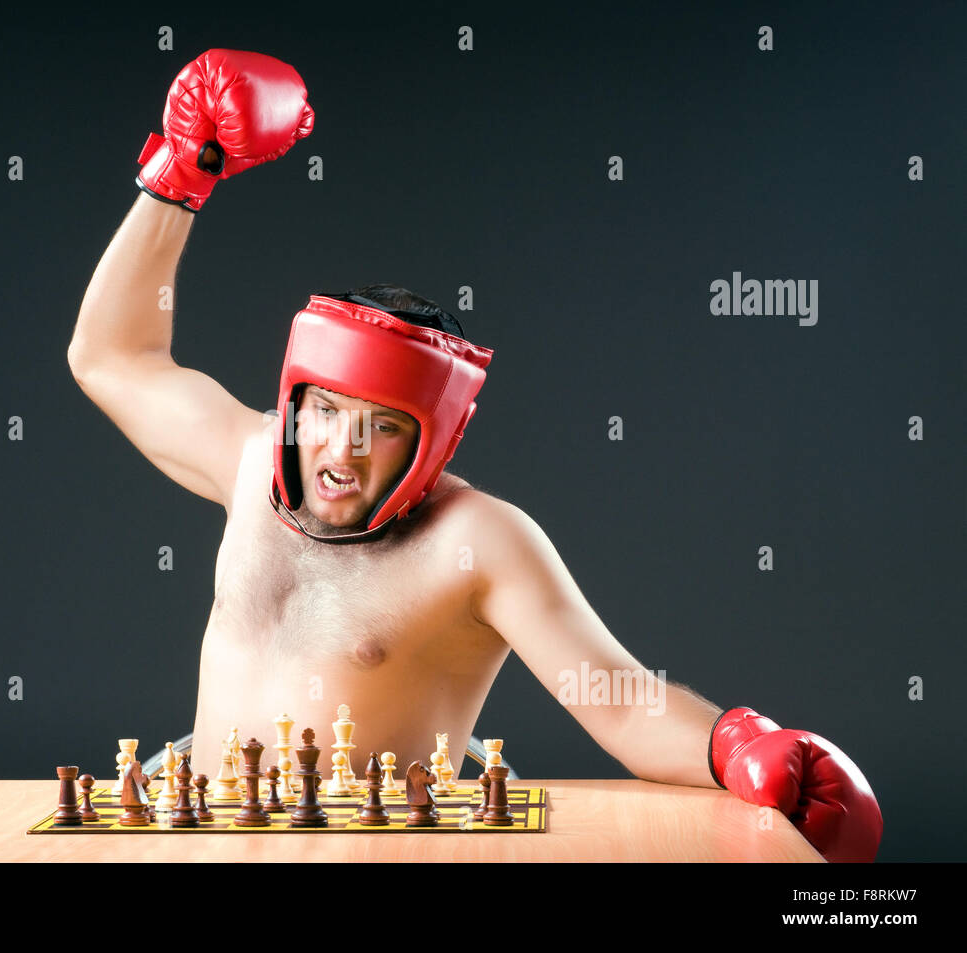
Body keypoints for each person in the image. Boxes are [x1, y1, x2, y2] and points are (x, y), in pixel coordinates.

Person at [66, 49, 883, 861]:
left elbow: (622, 703)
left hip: (386, 848)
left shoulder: (480, 541)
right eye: (326, 412)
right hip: (208, 834)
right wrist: (184, 170)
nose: (341, 450)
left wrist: (739, 743)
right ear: (294, 402)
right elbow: (110, 357)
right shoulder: (248, 461)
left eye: (382, 426)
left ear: (433, 443)